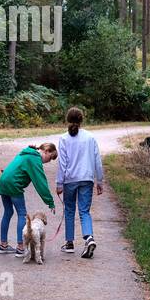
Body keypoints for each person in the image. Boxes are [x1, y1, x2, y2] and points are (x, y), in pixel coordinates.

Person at [55, 107, 103, 259]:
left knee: (69, 210)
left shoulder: (63, 139)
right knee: (84, 211)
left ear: (67, 119)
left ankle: (69, 243)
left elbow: (62, 163)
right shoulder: (90, 137)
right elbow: (97, 160)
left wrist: (59, 183)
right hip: (86, 179)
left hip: (70, 179)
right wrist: (99, 180)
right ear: (82, 120)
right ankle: (89, 238)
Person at [0, 143, 57, 255]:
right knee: (22, 214)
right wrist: (50, 202)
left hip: (3, 181)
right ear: (46, 151)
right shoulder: (34, 159)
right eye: (51, 157)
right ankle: (21, 247)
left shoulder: (28, 152)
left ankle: (3, 245)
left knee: (8, 212)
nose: (49, 161)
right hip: (13, 184)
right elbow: (40, 182)